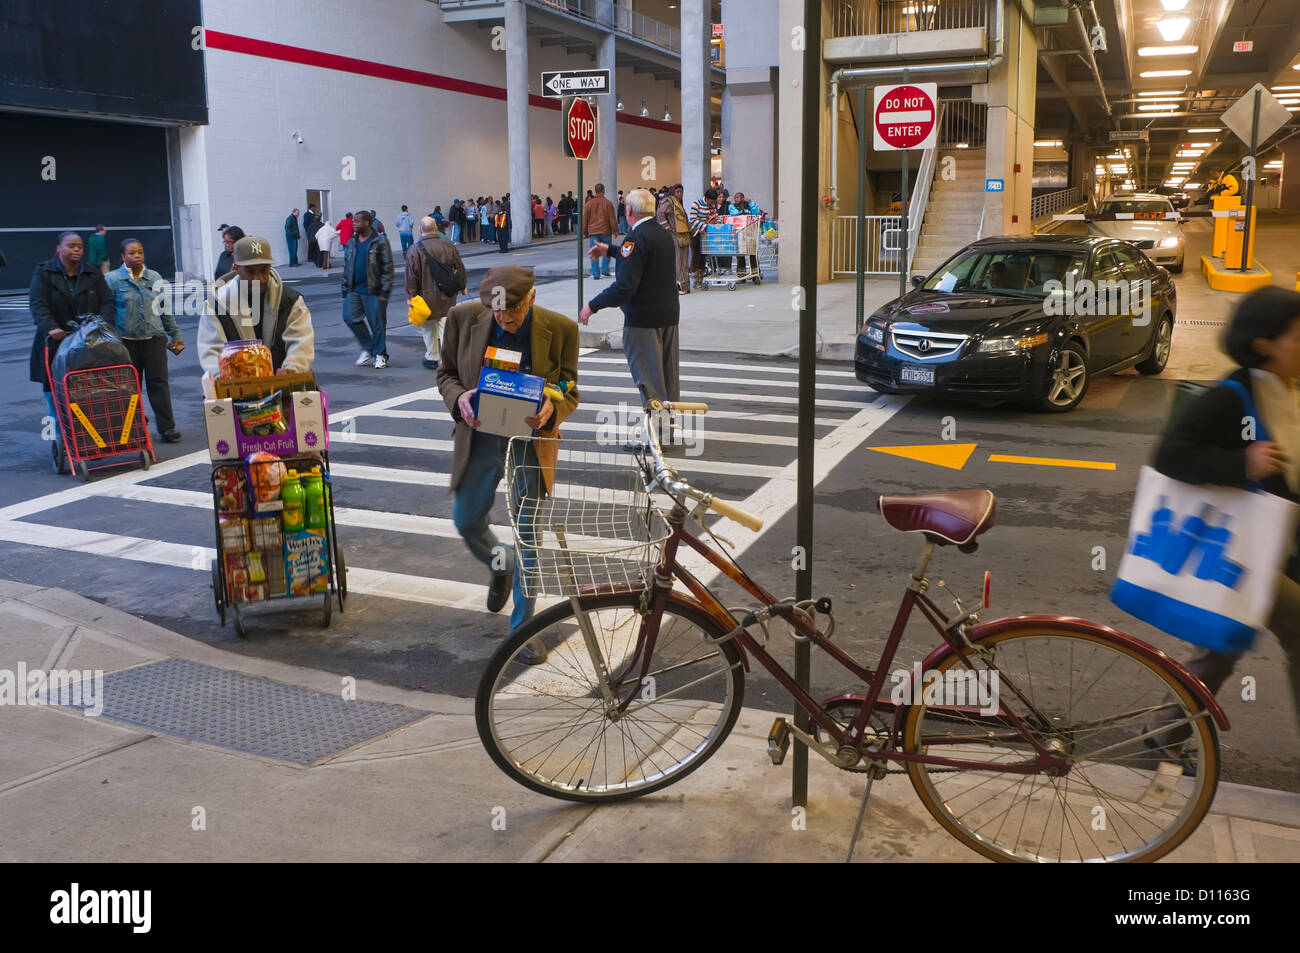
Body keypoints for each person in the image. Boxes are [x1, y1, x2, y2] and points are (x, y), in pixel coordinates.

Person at [1146, 286, 1300, 757]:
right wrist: (1243, 463)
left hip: (1284, 545)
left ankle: (1164, 731)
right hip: (1249, 550)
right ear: (1265, 345)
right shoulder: (1234, 396)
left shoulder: (1291, 388)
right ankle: (1164, 732)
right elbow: (1171, 456)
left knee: (1222, 645)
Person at [436, 265, 581, 653]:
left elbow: (570, 389)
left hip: (529, 441)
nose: (504, 318)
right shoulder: (462, 319)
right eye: (497, 311)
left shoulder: (562, 329)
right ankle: (503, 563)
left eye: (512, 311)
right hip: (480, 436)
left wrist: (555, 407)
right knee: (466, 520)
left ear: (531, 298)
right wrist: (459, 398)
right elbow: (446, 374)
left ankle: (524, 631)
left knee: (528, 533)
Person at [579, 188, 680, 448]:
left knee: (649, 381)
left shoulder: (634, 239)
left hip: (642, 320)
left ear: (630, 211)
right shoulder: (662, 234)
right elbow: (640, 258)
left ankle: (656, 440)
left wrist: (592, 305)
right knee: (667, 378)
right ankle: (667, 432)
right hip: (668, 315)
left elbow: (625, 287)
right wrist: (611, 250)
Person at [29, 231, 115, 473]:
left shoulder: (92, 272)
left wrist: (101, 324)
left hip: (88, 343)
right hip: (54, 344)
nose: (76, 250)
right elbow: (38, 304)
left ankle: (92, 441)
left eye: (79, 246)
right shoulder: (44, 272)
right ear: (59, 248)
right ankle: (64, 442)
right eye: (71, 246)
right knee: (56, 397)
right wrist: (51, 327)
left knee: (89, 393)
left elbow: (107, 301)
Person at [198, 235, 314, 376]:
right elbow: (211, 350)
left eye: (263, 270)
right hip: (236, 388)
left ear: (270, 267)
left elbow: (301, 343)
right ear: (237, 268)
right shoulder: (216, 305)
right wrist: (222, 376)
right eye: (250, 271)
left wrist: (292, 368)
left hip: (283, 385)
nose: (257, 278)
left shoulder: (291, 301)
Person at [105, 239, 184, 442]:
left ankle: (167, 428)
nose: (137, 256)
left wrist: (175, 335)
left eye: (140, 252)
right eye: (132, 253)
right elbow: (107, 314)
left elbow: (164, 310)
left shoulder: (154, 277)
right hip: (126, 342)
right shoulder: (112, 280)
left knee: (159, 384)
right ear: (123, 256)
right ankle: (133, 429)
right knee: (130, 388)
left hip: (154, 339)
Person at [406, 215, 467, 370]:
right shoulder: (449, 246)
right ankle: (447, 359)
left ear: (420, 230)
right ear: (436, 229)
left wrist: (411, 295)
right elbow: (459, 267)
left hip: (424, 296)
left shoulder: (414, 249)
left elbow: (411, 275)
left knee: (427, 327)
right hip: (447, 293)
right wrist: (462, 286)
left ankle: (432, 357)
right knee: (445, 325)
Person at [339, 210, 394, 368]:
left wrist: (385, 291)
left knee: (377, 324)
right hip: (354, 289)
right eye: (354, 221)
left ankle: (380, 354)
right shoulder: (352, 242)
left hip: (374, 290)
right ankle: (369, 348)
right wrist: (345, 286)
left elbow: (388, 267)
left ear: (367, 223)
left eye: (357, 221)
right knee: (349, 317)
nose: (354, 224)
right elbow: (347, 265)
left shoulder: (379, 241)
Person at [656, 184, 692, 294]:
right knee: (678, 261)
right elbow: (660, 213)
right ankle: (680, 286)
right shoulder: (669, 202)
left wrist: (695, 231)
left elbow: (684, 220)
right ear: (673, 192)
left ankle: (684, 285)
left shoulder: (678, 204)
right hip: (674, 236)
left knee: (684, 261)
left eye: (681, 192)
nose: (680, 194)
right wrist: (668, 229)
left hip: (683, 236)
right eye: (677, 192)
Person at [582, 183, 618, 281]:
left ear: (595, 191)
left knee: (594, 252)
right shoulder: (608, 203)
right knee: (607, 251)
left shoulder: (589, 203)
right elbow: (612, 219)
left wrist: (585, 232)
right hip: (605, 231)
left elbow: (585, 219)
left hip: (593, 232)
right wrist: (615, 230)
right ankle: (605, 270)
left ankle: (596, 274)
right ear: (603, 190)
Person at [688, 187, 722, 289]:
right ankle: (695, 280)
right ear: (706, 198)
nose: (711, 204)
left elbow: (715, 216)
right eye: (710, 201)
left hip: (706, 233)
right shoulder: (696, 203)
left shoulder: (712, 205)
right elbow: (692, 219)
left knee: (703, 256)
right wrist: (704, 226)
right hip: (695, 233)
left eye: (713, 202)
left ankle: (700, 280)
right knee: (696, 255)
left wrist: (715, 221)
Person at [726, 190, 762, 277]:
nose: (735, 199)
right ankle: (741, 274)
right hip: (740, 233)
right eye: (735, 197)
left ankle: (755, 273)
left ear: (743, 197)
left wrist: (750, 202)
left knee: (752, 253)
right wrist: (742, 211)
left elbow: (756, 213)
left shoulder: (749, 205)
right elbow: (734, 214)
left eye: (738, 197)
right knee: (740, 254)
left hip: (750, 233)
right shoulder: (732, 206)